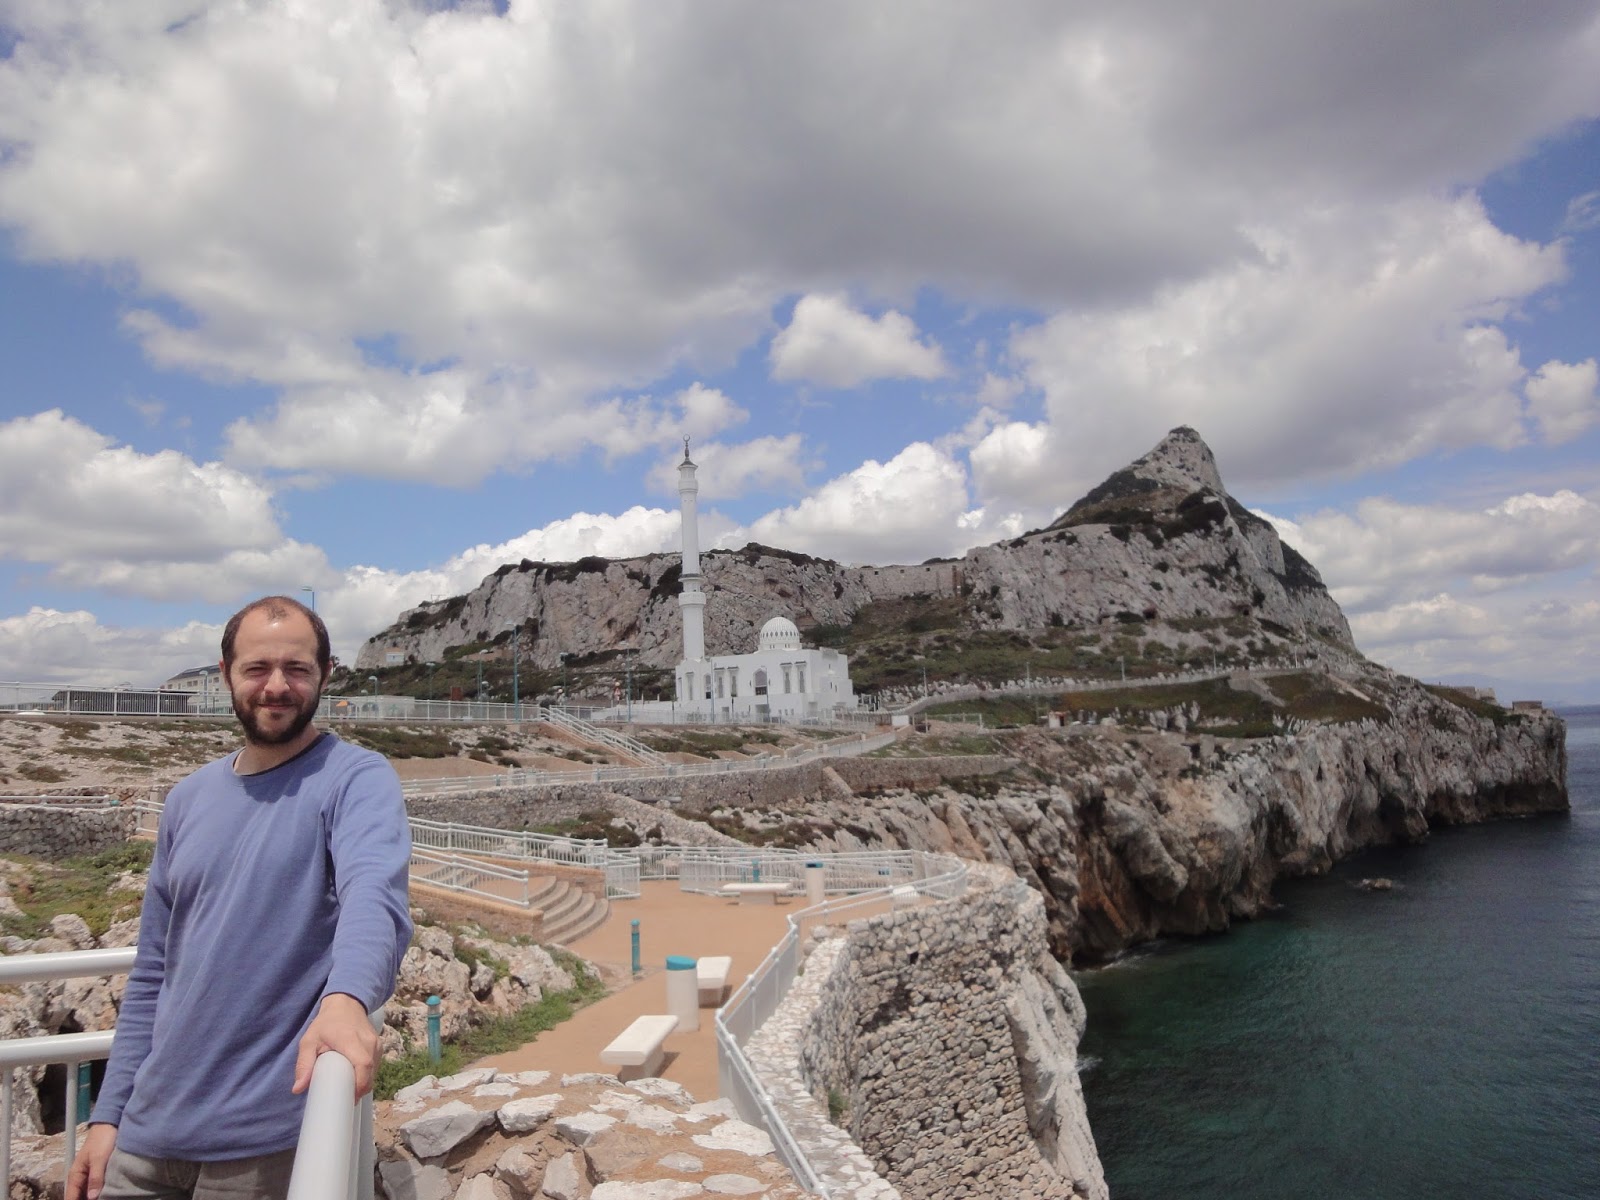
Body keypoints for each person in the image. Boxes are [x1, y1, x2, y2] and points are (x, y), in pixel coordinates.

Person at [67, 596, 413, 1200]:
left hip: (262, 1145)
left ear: (325, 675)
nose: (276, 686)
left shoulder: (357, 778)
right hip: (145, 1138)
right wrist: (108, 1114)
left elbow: (374, 895)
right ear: (224, 673)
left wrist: (346, 998)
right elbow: (153, 971)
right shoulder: (186, 800)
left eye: (297, 669)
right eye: (257, 668)